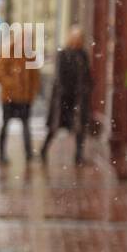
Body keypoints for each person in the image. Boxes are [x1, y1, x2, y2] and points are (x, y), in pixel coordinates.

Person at [41, 26, 93, 166]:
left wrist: (86, 89)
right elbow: (60, 76)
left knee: (79, 128)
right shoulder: (63, 54)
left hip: (78, 98)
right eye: (74, 37)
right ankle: (43, 149)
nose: (77, 41)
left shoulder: (83, 54)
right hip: (63, 98)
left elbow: (87, 75)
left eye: (79, 38)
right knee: (54, 128)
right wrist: (63, 92)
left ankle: (78, 155)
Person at [0, 35, 41, 166]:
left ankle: (29, 153)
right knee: (5, 125)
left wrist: (32, 92)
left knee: (26, 125)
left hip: (25, 98)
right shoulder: (8, 53)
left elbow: (35, 76)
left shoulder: (30, 55)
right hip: (9, 98)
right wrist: (11, 84)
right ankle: (1, 153)